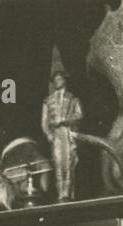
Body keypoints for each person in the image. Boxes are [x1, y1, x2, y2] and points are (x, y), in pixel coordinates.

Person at [41, 68, 83, 202]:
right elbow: (44, 121)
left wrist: (67, 121)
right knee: (58, 163)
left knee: (69, 162)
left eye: (60, 78)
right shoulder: (48, 101)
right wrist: (48, 134)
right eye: (55, 79)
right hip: (56, 134)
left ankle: (68, 194)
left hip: (68, 132)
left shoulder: (72, 98)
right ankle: (61, 194)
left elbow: (79, 114)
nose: (58, 81)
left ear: (65, 80)